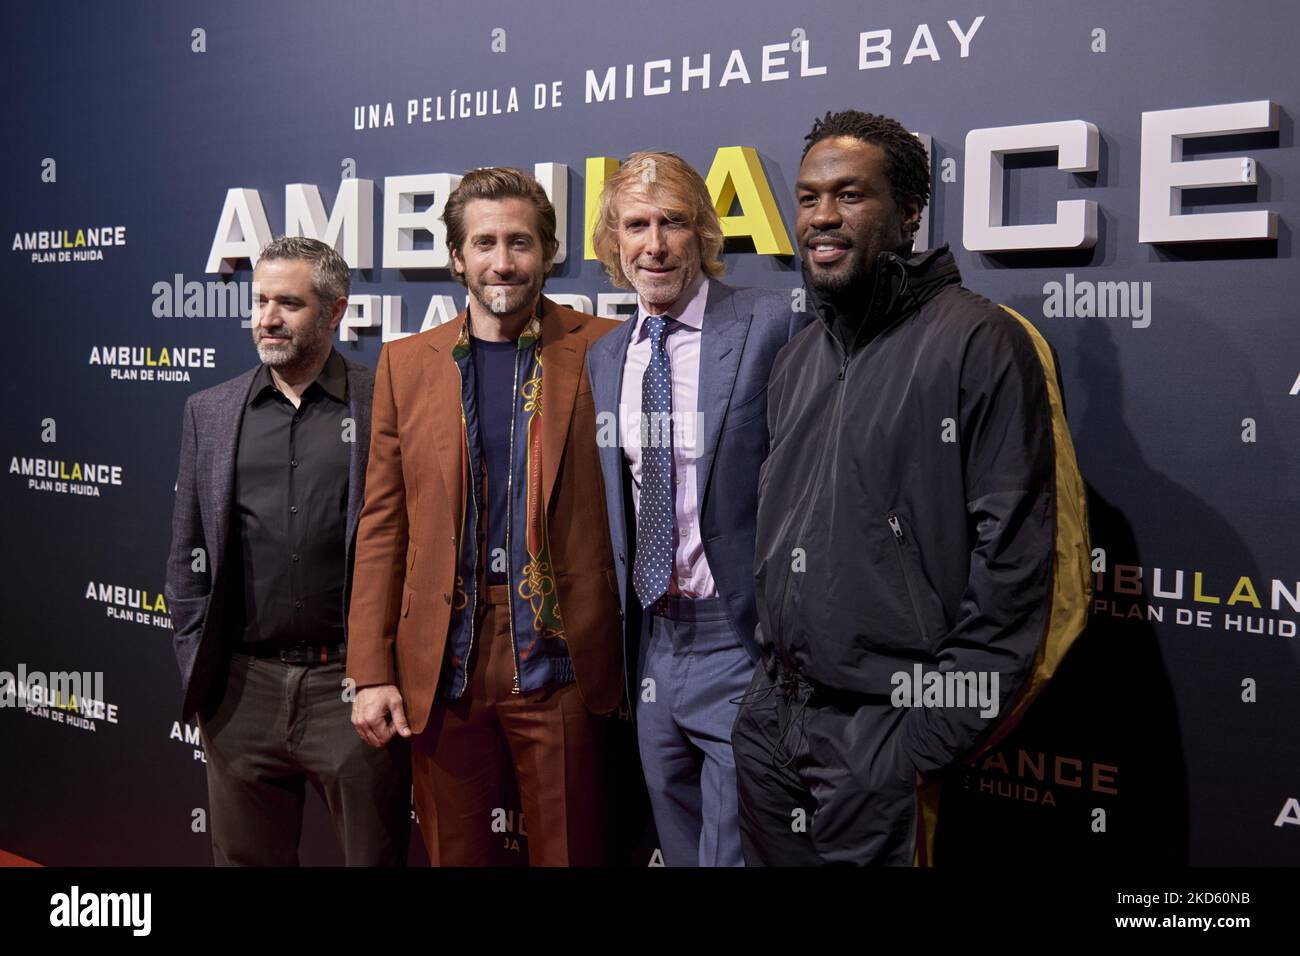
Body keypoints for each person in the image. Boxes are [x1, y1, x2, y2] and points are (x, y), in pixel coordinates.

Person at [733, 110, 1090, 865]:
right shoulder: (799, 355)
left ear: (907, 213)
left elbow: (1027, 569)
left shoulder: (983, 339)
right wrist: (763, 708)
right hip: (773, 726)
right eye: (807, 197)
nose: (822, 217)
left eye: (850, 195)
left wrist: (921, 740)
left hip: (884, 738)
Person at [346, 167, 623, 866]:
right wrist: (372, 669)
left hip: (561, 654)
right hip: (444, 658)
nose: (504, 262)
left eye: (521, 243)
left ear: (550, 254)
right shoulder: (405, 364)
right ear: (456, 258)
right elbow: (383, 524)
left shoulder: (606, 349)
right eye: (486, 243)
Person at [586, 151, 810, 866]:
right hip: (653, 640)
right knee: (678, 842)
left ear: (704, 233)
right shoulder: (608, 355)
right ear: (614, 243)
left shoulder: (773, 323)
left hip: (740, 642)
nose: (654, 244)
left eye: (673, 223)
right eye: (637, 226)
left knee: (733, 852)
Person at [165, 236, 411, 866]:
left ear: (334, 312)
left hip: (352, 689)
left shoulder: (384, 401)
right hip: (242, 691)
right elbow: (187, 555)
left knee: (374, 859)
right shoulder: (212, 412)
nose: (268, 318)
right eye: (261, 300)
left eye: (290, 303)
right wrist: (203, 668)